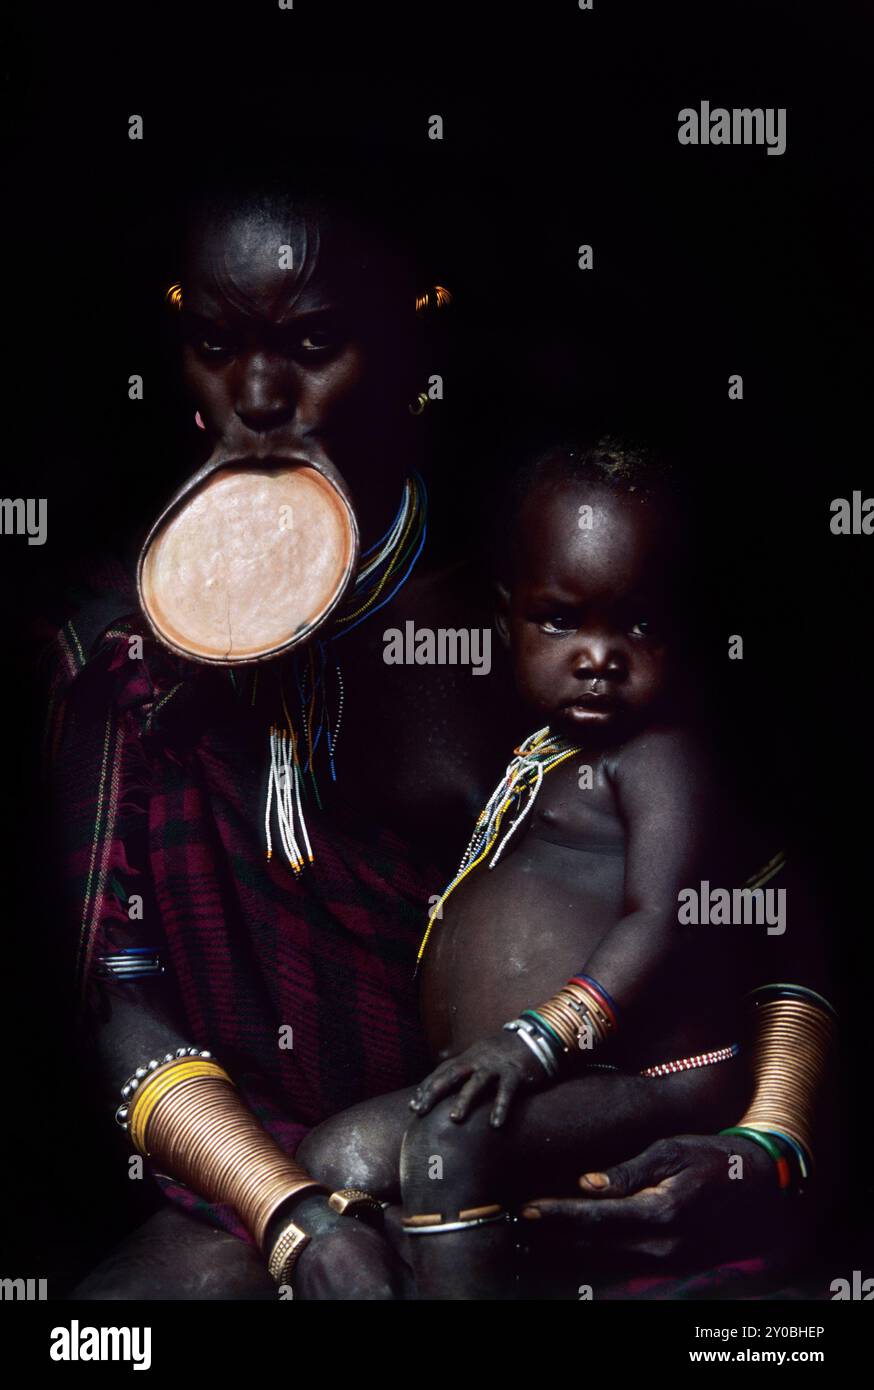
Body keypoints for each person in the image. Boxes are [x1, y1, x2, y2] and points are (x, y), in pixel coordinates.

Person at [48, 176, 832, 1300]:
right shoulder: (121, 660)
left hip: (553, 1147)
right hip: (286, 1179)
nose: (258, 394)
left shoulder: (545, 615)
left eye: (315, 343)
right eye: (215, 344)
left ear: (418, 340)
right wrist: (293, 1221)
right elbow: (119, 998)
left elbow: (756, 900)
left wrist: (766, 1145)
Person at [294, 441, 834, 1298]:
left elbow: (662, 916)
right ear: (508, 616)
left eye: (639, 625)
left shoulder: (660, 756)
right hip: (527, 1074)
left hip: (640, 1075)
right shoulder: (541, 750)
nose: (599, 656)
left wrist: (535, 1039)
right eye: (561, 622)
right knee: (334, 1157)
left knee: (446, 1145)